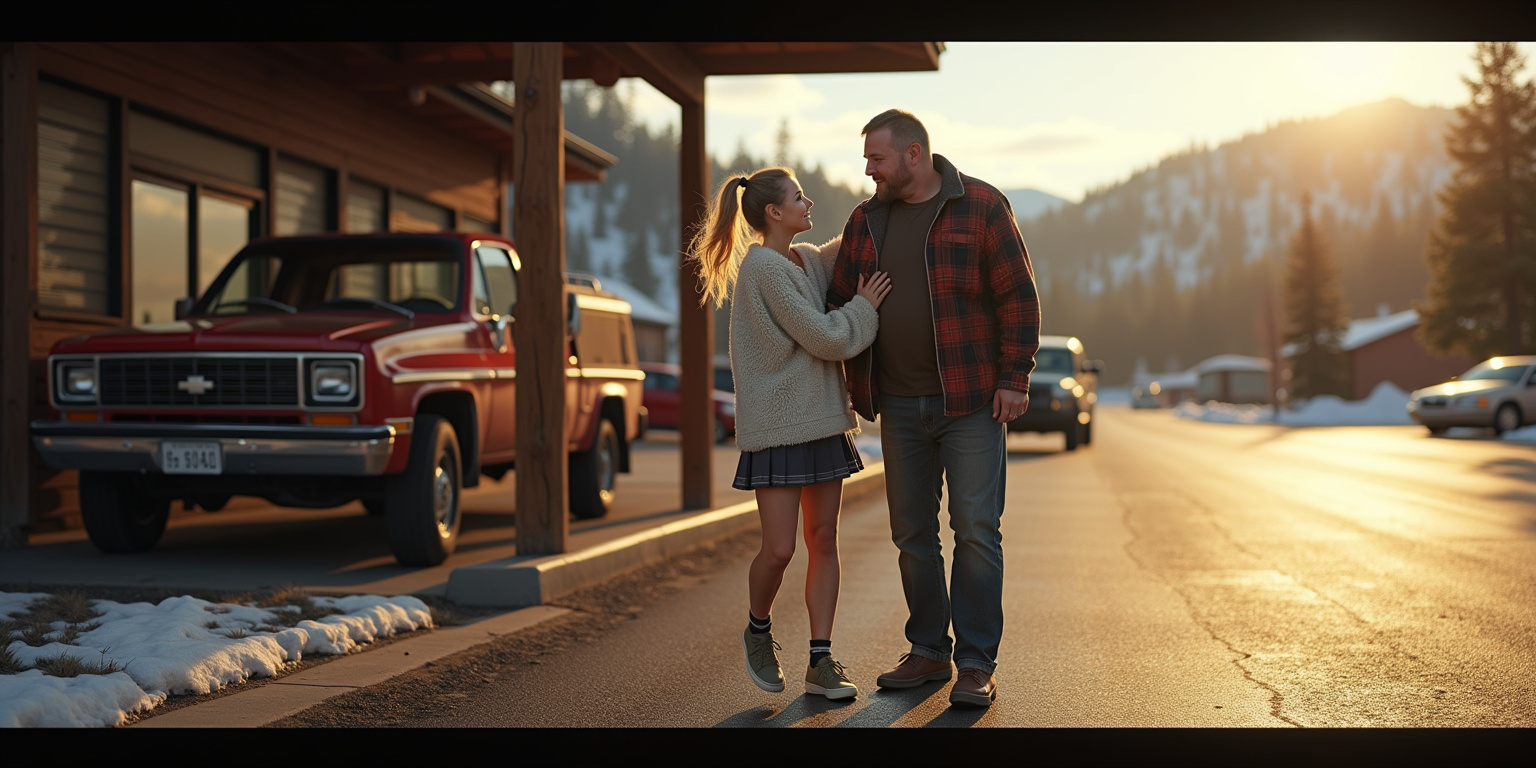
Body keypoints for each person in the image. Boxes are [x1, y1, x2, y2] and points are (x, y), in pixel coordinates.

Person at [826, 108, 1041, 708]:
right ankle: (927, 650)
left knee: (975, 531)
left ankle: (975, 663)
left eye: (877, 158)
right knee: (911, 534)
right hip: (896, 403)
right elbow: (837, 295)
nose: (868, 169)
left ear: (913, 155)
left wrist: (1014, 377)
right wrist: (780, 264)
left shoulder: (981, 206)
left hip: (970, 400)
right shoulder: (865, 220)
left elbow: (1018, 297)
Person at [686, 166, 893, 700]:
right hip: (778, 429)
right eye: (799, 197)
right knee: (779, 550)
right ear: (774, 213)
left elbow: (838, 248)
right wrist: (865, 308)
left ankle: (820, 662)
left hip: (823, 422)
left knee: (824, 540)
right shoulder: (763, 270)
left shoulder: (803, 260)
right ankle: (759, 628)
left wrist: (884, 201)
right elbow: (824, 336)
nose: (809, 202)